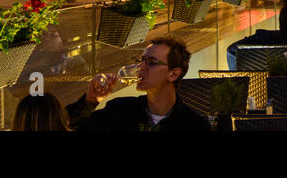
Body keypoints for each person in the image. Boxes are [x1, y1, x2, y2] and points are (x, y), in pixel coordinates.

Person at [66, 36, 209, 131]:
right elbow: (68, 124)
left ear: (173, 74)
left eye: (151, 62)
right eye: (141, 61)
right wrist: (90, 101)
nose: (141, 67)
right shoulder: (119, 110)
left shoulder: (194, 125)